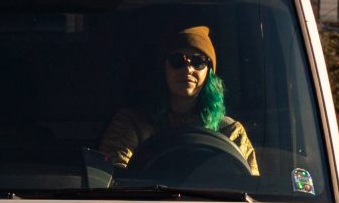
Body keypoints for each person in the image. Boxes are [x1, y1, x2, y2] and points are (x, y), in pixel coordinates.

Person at [96, 26, 256, 174]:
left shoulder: (230, 132)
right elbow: (112, 180)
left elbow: (248, 189)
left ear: (209, 73)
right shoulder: (131, 124)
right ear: (163, 68)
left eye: (198, 61)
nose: (188, 69)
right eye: (177, 61)